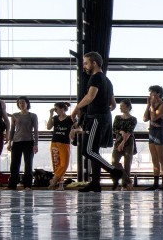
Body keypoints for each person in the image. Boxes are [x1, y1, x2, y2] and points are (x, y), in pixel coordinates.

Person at [69, 52, 116, 190]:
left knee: (87, 151)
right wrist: (102, 108)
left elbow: (90, 97)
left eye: (86, 63)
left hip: (96, 118)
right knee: (94, 151)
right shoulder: (107, 81)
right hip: (104, 118)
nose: (84, 66)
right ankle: (96, 183)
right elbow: (113, 105)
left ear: (94, 63)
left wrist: (76, 108)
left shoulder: (95, 78)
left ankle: (114, 171)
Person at [8, 97, 39, 189]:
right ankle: (12, 185)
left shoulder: (32, 116)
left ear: (27, 103)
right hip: (17, 142)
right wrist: (9, 143)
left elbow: (36, 131)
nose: (21, 104)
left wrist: (36, 144)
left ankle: (28, 185)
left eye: (23, 103)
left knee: (28, 164)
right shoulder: (15, 115)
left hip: (28, 141)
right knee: (14, 164)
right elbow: (12, 130)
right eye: (19, 103)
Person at [144, 85, 163, 189]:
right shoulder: (151, 105)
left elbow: (153, 118)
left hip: (160, 132)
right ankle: (155, 184)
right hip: (152, 132)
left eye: (152, 93)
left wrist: (152, 106)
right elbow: (145, 118)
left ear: (158, 93)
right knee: (154, 158)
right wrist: (148, 106)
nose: (150, 95)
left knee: (161, 158)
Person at [111, 98, 137, 189]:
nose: (120, 108)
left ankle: (125, 184)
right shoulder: (117, 117)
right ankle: (128, 180)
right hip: (118, 140)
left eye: (122, 106)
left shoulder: (133, 119)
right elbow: (114, 129)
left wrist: (122, 142)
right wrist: (121, 132)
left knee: (127, 163)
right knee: (114, 162)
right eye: (120, 106)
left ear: (128, 107)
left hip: (128, 142)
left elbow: (129, 132)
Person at [46, 101, 74, 189]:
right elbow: (48, 127)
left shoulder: (70, 119)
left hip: (64, 143)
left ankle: (54, 180)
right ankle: (60, 184)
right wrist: (50, 115)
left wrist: (74, 131)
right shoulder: (55, 118)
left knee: (64, 164)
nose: (55, 111)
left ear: (62, 109)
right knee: (56, 164)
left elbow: (79, 127)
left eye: (56, 109)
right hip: (55, 142)